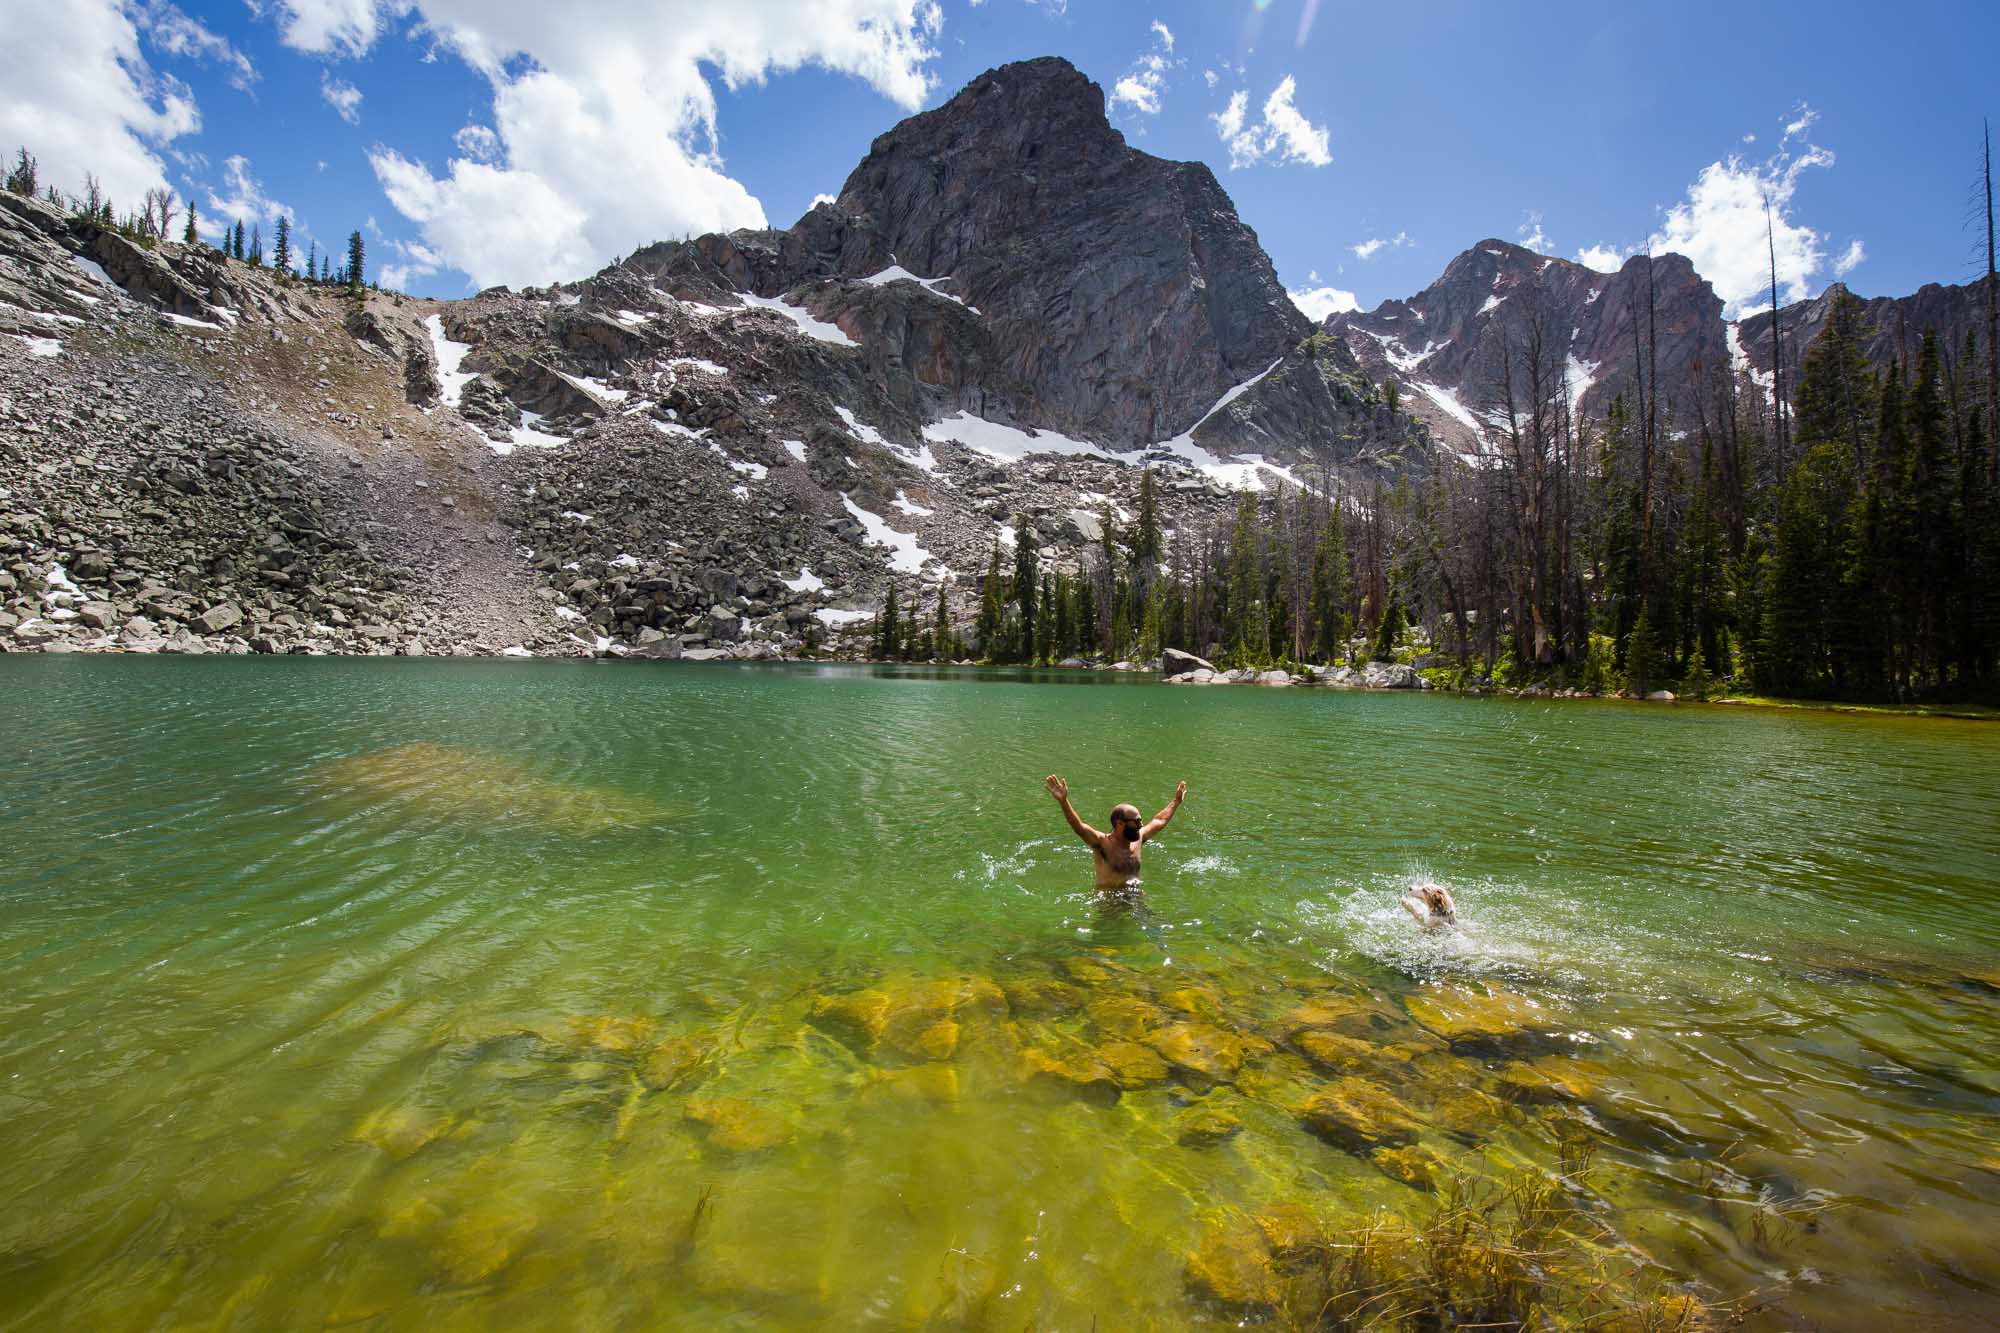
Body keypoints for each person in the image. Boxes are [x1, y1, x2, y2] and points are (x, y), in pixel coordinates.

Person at [1044, 775, 1187, 890]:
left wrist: (1176, 801)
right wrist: (1064, 802)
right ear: (1120, 823)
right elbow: (1079, 827)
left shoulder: (1138, 838)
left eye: (1140, 821)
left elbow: (1159, 821)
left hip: (1136, 897)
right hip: (1110, 903)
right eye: (1136, 821)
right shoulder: (1102, 843)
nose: (1141, 825)